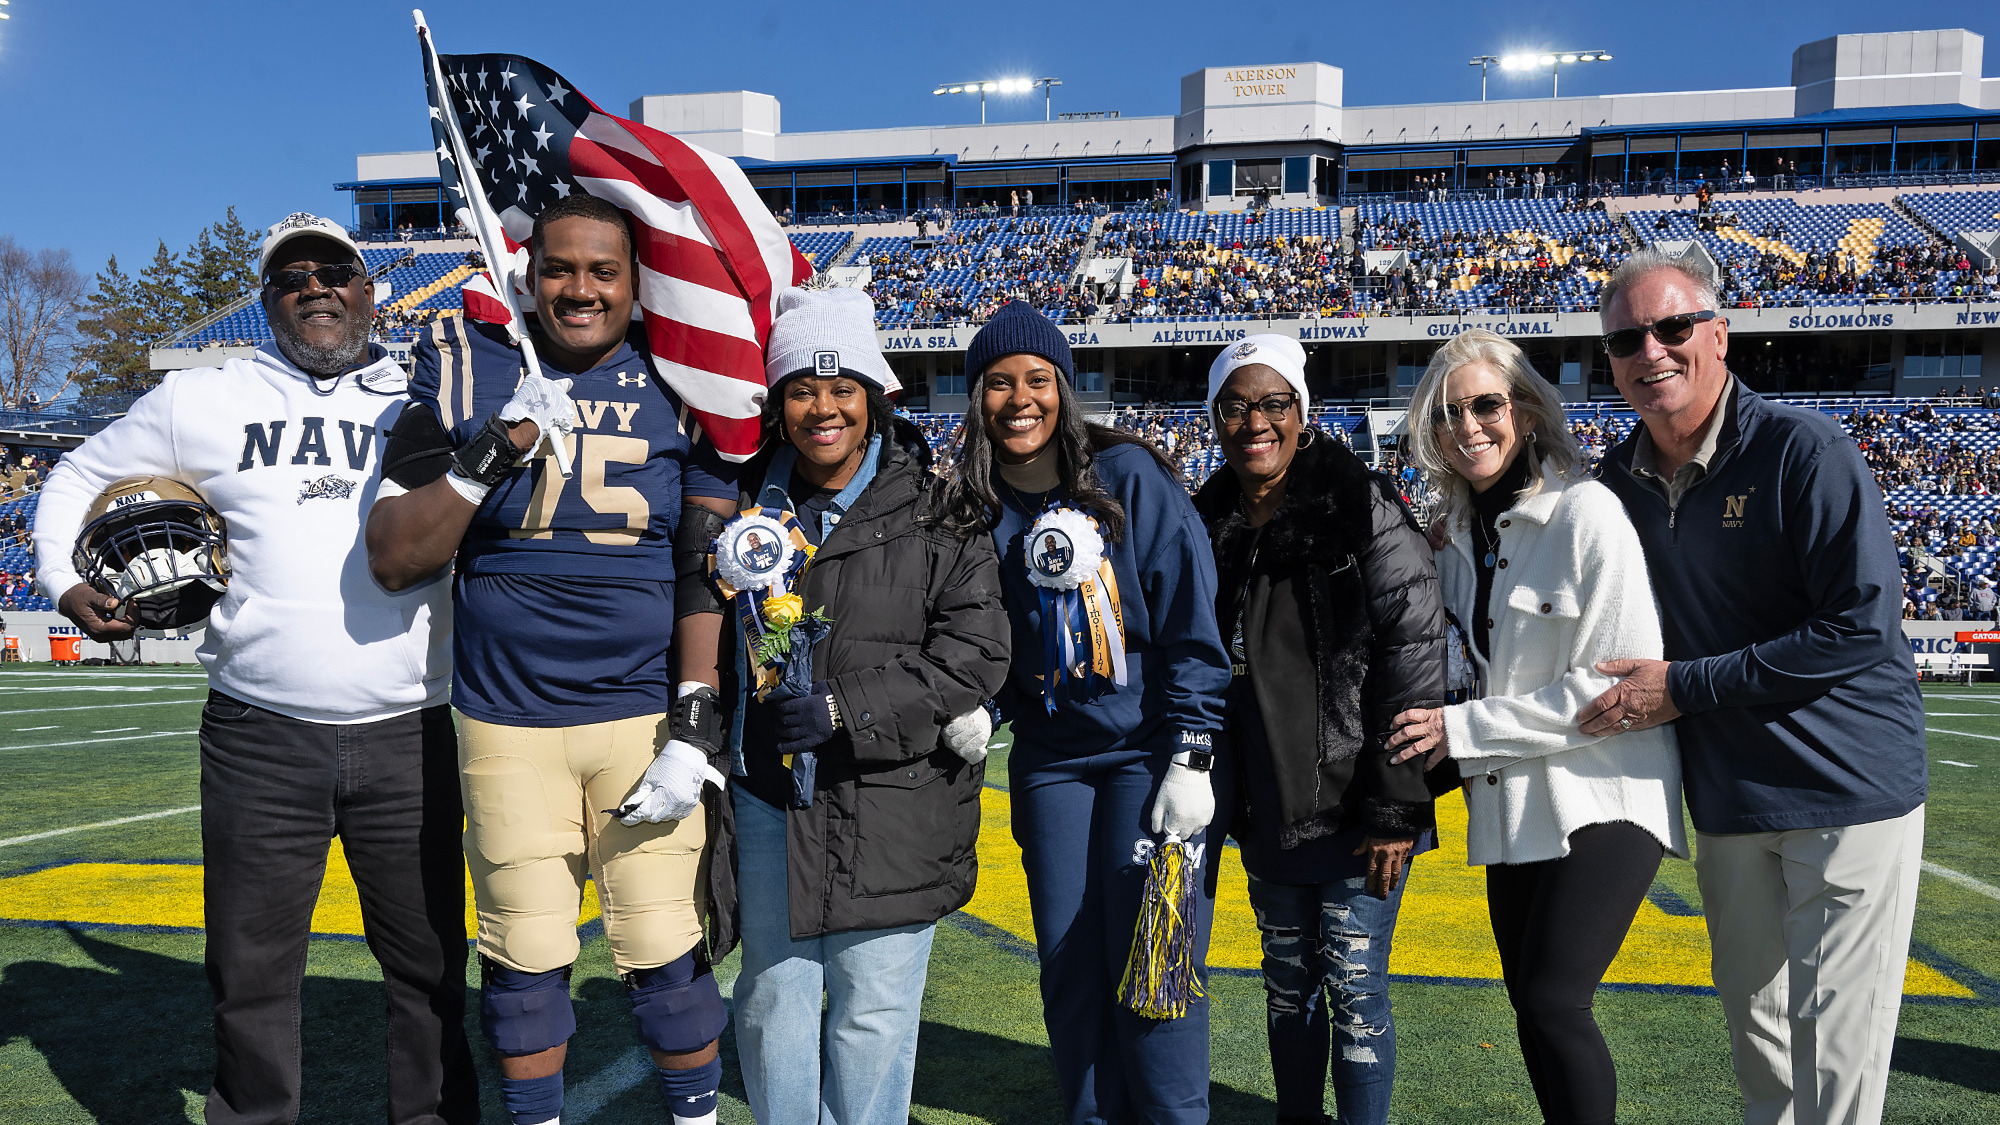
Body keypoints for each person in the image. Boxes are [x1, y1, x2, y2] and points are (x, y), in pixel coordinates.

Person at [32, 212, 478, 1124]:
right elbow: (74, 475)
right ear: (269, 301)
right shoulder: (203, 397)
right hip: (258, 733)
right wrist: (63, 580)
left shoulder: (425, 396)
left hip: (410, 727)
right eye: (291, 277)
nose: (315, 287)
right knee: (250, 971)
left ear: (369, 288)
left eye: (334, 271)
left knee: (430, 968)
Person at [364, 193, 737, 1125]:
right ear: (527, 275)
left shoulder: (681, 376)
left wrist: (696, 711)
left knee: (668, 953)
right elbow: (396, 555)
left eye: (602, 270)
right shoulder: (466, 367)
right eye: (559, 268)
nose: (579, 288)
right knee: (524, 960)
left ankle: (694, 1118)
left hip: (641, 719)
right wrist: (492, 450)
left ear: (635, 282)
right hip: (507, 721)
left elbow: (701, 563)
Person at [1586, 249, 1927, 1125]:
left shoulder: (1804, 449)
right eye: (1627, 338)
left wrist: (1686, 686)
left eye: (1672, 327)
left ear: (1719, 334)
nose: (1650, 351)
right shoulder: (1610, 484)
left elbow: (1859, 623)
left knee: (1836, 1061)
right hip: (1732, 801)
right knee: (1761, 1044)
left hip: (1845, 789)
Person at [698, 287, 1010, 1125]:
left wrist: (844, 707)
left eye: (842, 389)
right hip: (767, 800)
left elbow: (977, 654)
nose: (823, 408)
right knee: (772, 1005)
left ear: (875, 397)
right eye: (801, 388)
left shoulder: (942, 508)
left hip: (896, 799)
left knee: (873, 1018)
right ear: (777, 402)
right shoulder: (736, 505)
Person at [934, 300, 1231, 1124]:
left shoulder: (1131, 477)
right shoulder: (971, 506)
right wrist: (984, 705)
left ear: (1064, 389)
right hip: (1051, 760)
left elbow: (1191, 629)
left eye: (1036, 379)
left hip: (1150, 752)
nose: (1018, 398)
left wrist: (1193, 752)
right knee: (1068, 964)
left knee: (1154, 959)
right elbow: (991, 639)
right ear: (976, 398)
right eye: (997, 382)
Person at [1386, 328, 1687, 1125]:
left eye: (1486, 404)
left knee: (1556, 998)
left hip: (1606, 790)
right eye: (1447, 412)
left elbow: (1615, 687)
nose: (1468, 425)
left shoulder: (1588, 512)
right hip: (1515, 800)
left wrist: (1462, 730)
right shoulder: (1452, 539)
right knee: (1530, 1004)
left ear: (1522, 409)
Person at [1190, 335, 1445, 1125]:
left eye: (1272, 403)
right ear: (1214, 420)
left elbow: (1415, 648)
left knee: (1356, 986)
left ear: (1303, 413)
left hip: (1355, 801)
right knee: (1287, 983)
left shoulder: (1357, 501)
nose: (1253, 422)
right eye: (1234, 406)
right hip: (1267, 802)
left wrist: (1395, 806)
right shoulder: (1207, 520)